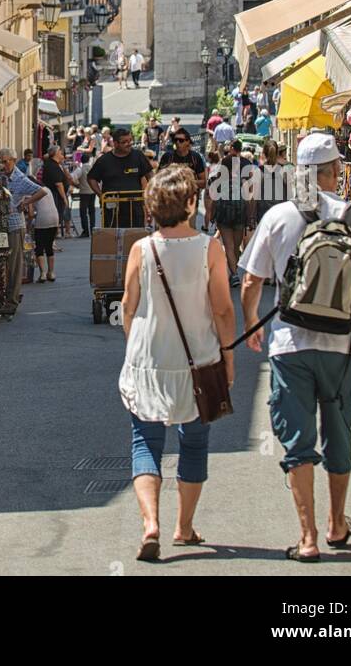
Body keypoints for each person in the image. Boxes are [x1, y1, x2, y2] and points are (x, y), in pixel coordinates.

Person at [240, 132, 351, 562]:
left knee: (297, 442)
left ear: (298, 173)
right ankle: (337, 523)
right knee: (339, 436)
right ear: (335, 172)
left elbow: (251, 280)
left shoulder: (279, 216)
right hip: (341, 348)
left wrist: (252, 323)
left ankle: (306, 538)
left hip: (289, 344)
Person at [118, 165, 235, 561]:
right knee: (194, 442)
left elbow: (128, 307)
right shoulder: (209, 248)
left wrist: (136, 347)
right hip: (198, 361)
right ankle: (184, 527)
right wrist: (228, 356)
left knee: (145, 442)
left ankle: (151, 523)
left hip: (148, 360)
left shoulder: (141, 249)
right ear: (190, 204)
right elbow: (222, 310)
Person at [0, 148, 51, 308]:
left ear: (13, 160)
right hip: (1, 225)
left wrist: (26, 202)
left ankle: (12, 299)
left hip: (14, 224)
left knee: (14, 262)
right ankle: (4, 295)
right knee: (3, 262)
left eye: (6, 161)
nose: (3, 164)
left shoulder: (19, 178)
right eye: (1, 161)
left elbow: (41, 191)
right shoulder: (0, 176)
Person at [209, 140, 256, 285]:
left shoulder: (220, 181)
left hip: (224, 213)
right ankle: (234, 272)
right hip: (240, 213)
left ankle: (234, 273)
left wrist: (212, 214)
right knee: (236, 245)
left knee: (229, 245)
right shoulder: (241, 182)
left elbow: (214, 197)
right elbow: (249, 199)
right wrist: (250, 217)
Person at [87, 126, 153, 227]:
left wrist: (151, 193)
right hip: (112, 209)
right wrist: (100, 195)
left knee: (135, 236)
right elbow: (91, 178)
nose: (129, 144)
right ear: (115, 143)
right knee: (113, 238)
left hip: (135, 207)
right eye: (125, 142)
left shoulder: (138, 156)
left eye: (130, 140)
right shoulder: (104, 160)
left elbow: (150, 175)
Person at [28, 176, 61, 282]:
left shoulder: (32, 193)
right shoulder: (47, 189)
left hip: (42, 219)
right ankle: (51, 273)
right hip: (54, 218)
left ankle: (42, 274)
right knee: (49, 246)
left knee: (39, 247)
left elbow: (31, 214)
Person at [42, 143, 76, 238]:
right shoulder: (52, 165)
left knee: (61, 214)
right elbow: (58, 184)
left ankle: (59, 234)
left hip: (58, 194)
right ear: (56, 153)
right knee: (57, 214)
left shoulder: (56, 164)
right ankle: (54, 235)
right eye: (60, 153)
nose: (62, 155)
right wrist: (64, 198)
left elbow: (66, 178)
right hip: (56, 195)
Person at [75, 146, 99, 237]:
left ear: (81, 160)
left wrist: (76, 185)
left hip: (84, 192)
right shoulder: (92, 168)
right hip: (92, 192)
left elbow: (72, 177)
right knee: (92, 211)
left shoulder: (80, 169)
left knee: (83, 212)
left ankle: (85, 231)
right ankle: (93, 229)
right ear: (89, 159)